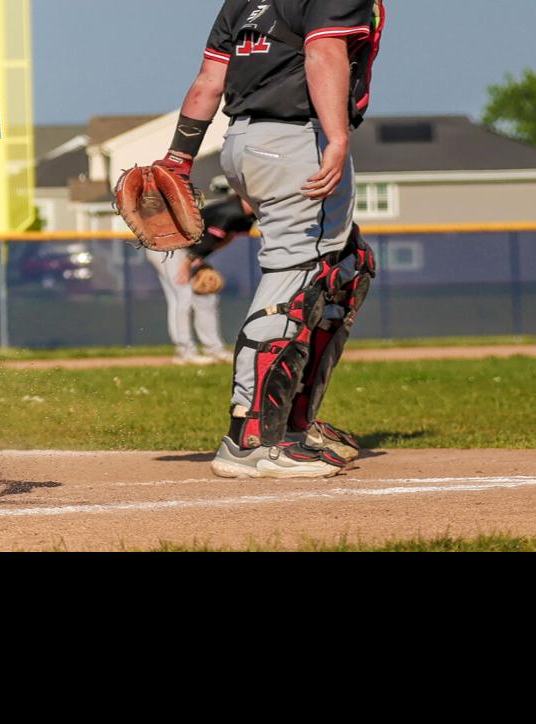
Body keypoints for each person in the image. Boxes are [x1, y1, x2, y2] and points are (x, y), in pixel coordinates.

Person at [157, 0, 385, 479]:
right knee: (296, 278)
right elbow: (323, 53)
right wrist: (337, 139)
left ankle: (295, 424)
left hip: (242, 141)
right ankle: (252, 440)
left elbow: (209, 81)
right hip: (295, 140)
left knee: (346, 265)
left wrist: (178, 159)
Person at [143, 194, 255, 365]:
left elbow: (227, 237)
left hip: (186, 250)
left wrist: (201, 258)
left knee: (205, 299)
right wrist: (188, 263)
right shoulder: (230, 210)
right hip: (166, 245)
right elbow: (212, 238)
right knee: (182, 296)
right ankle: (185, 352)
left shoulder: (248, 216)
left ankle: (214, 349)